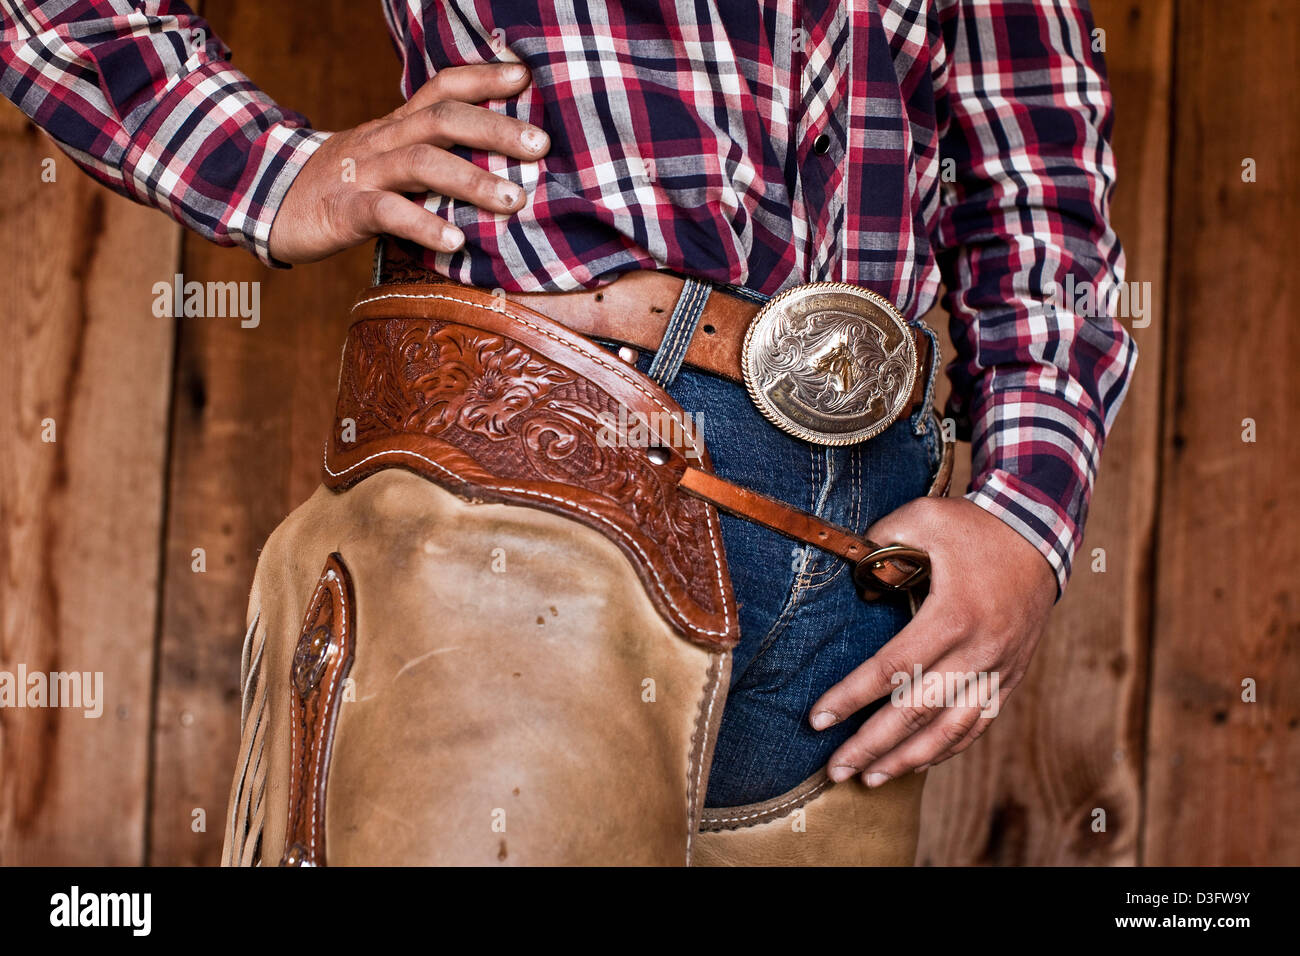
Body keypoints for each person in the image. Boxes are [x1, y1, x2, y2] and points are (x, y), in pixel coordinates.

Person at [1, 0, 1136, 865]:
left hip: (864, 554)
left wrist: (1030, 514)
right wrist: (277, 170)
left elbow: (1040, 178)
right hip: (532, 461)